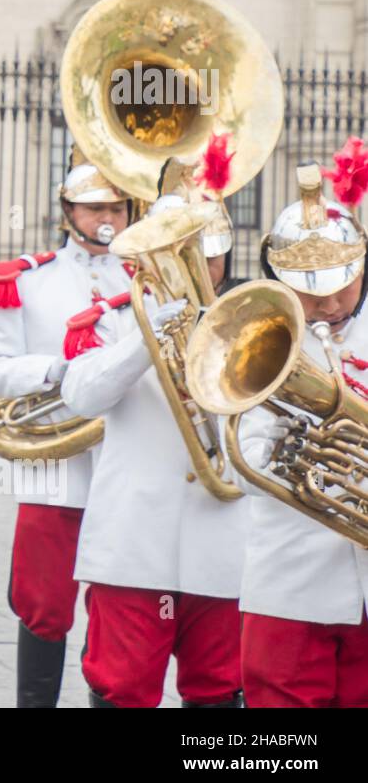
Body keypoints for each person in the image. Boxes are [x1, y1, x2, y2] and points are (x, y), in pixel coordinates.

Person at [59, 177, 246, 708]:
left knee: (218, 686)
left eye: (208, 258)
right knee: (123, 686)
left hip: (221, 539)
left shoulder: (250, 326)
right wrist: (147, 337)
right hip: (134, 545)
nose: (198, 271)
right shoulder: (114, 323)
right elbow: (81, 395)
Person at [0, 150, 131, 707]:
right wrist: (60, 370)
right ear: (68, 210)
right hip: (55, 464)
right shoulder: (27, 281)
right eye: (91, 207)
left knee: (121, 609)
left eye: (114, 205)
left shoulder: (151, 281)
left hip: (127, 465)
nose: (104, 217)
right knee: (42, 606)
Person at [234, 149, 368, 707]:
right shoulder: (262, 341)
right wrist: (298, 446)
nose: (332, 300)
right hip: (291, 585)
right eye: (312, 289)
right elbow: (243, 469)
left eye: (344, 282)